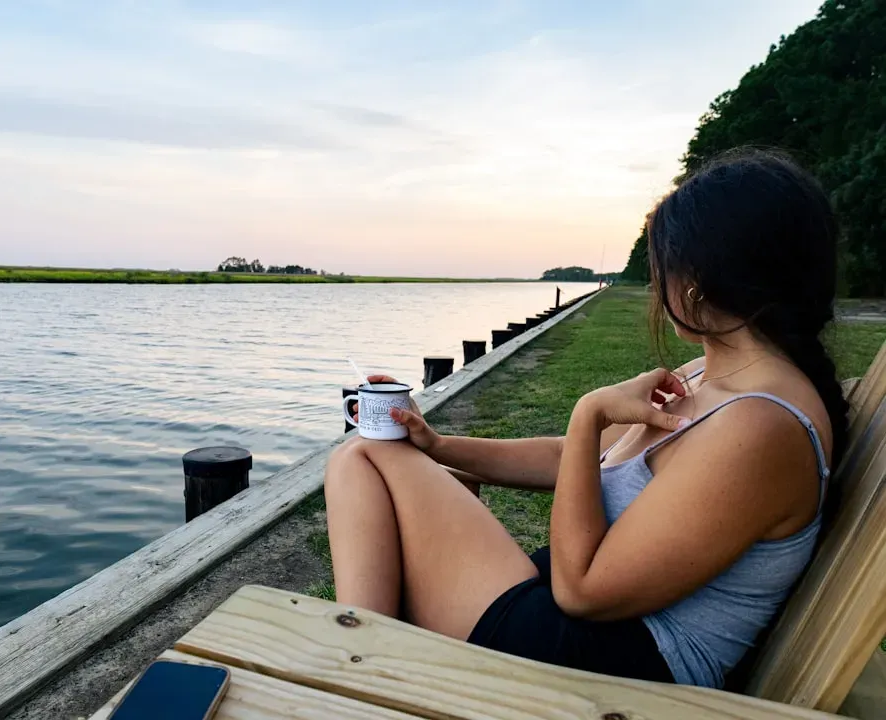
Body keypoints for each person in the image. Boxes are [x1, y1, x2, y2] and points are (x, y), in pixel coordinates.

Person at [323, 149, 848, 688]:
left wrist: (588, 414)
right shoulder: (714, 377)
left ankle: (355, 679)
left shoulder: (758, 428)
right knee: (370, 459)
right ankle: (362, 674)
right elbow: (572, 459)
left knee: (362, 455)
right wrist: (435, 444)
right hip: (574, 631)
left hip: (599, 668)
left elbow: (583, 590)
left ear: (697, 284)